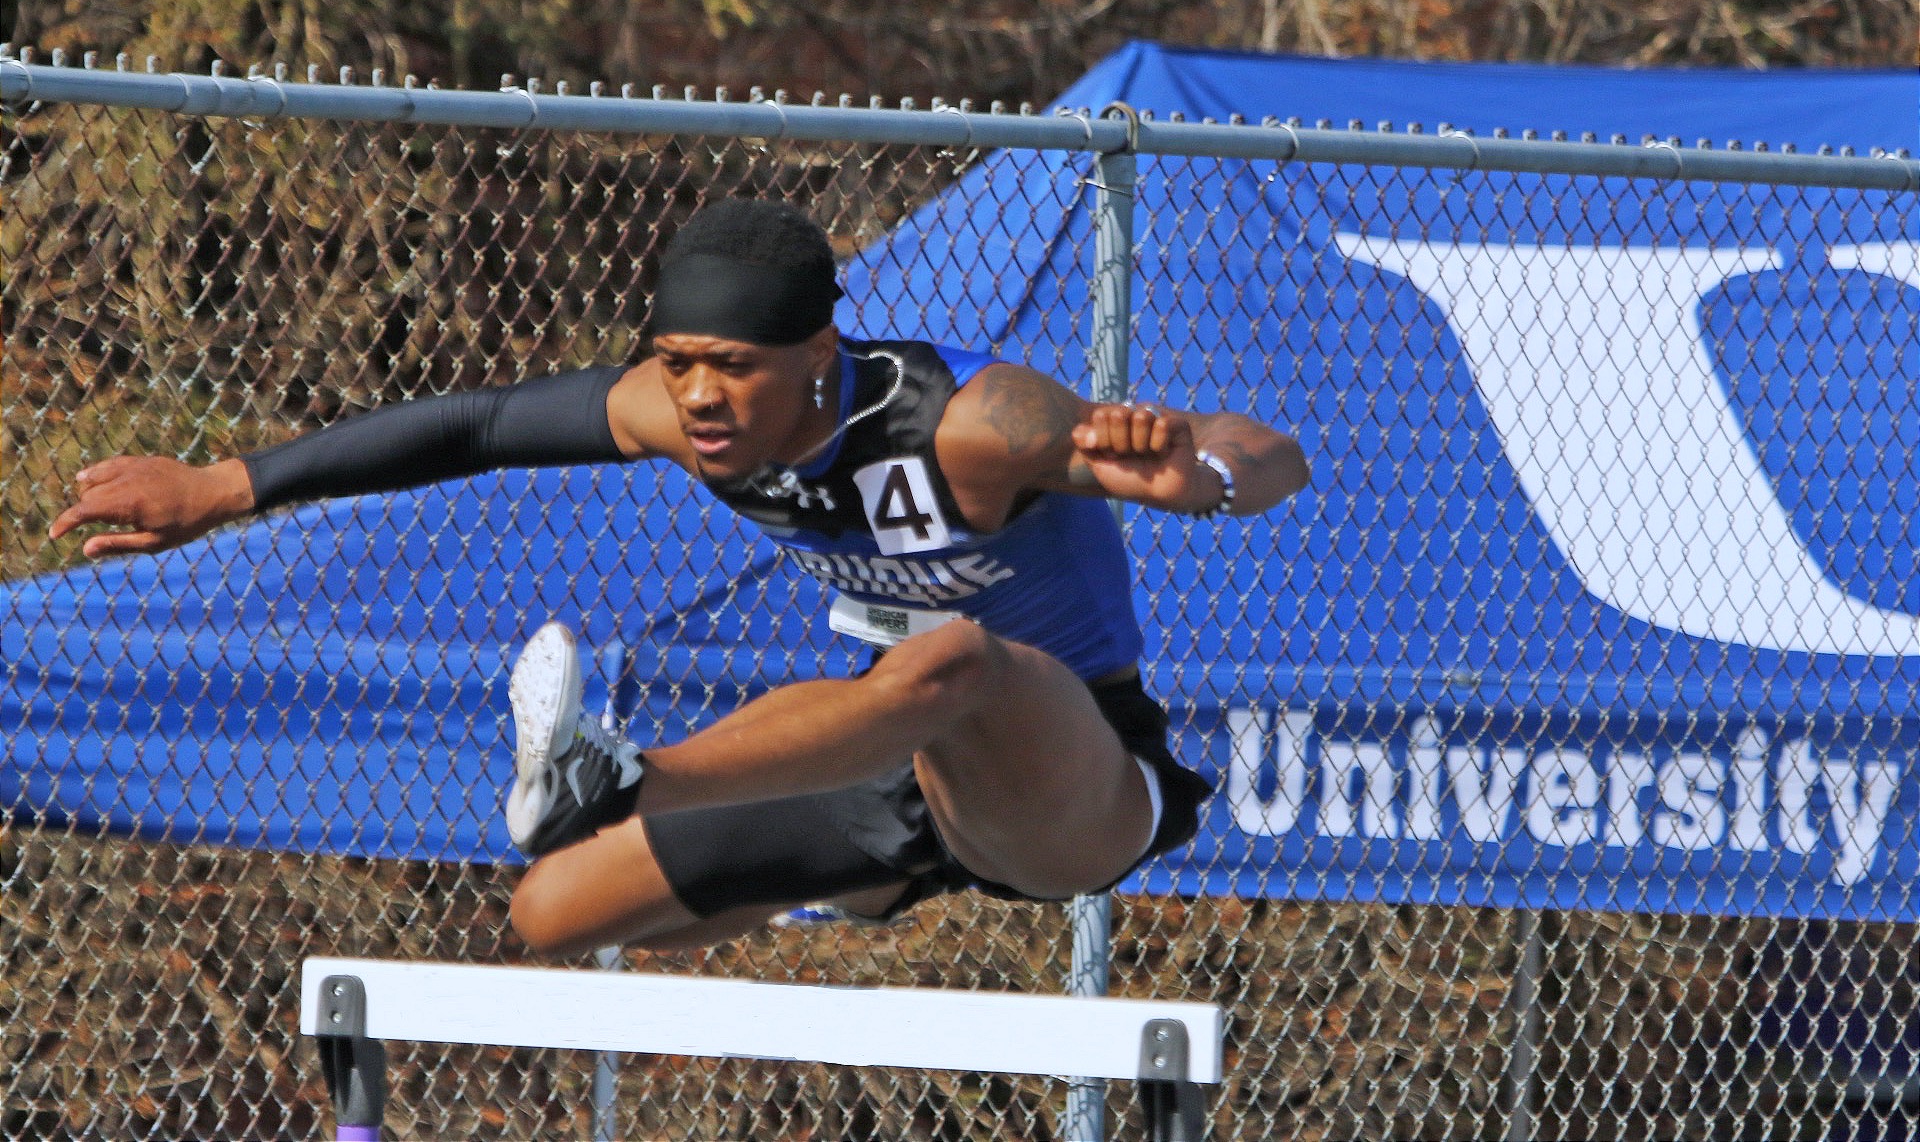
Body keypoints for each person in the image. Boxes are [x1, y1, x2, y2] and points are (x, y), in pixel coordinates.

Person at [49, 198, 1309, 959]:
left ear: (820, 352)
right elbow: (477, 424)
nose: (699, 396)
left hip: (1070, 774)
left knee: (958, 657)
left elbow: (1273, 453)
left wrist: (1193, 470)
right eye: (677, 361)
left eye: (731, 368)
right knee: (552, 908)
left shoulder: (977, 427)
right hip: (894, 772)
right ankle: (827, 880)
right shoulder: (675, 411)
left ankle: (627, 777)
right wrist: (224, 485)